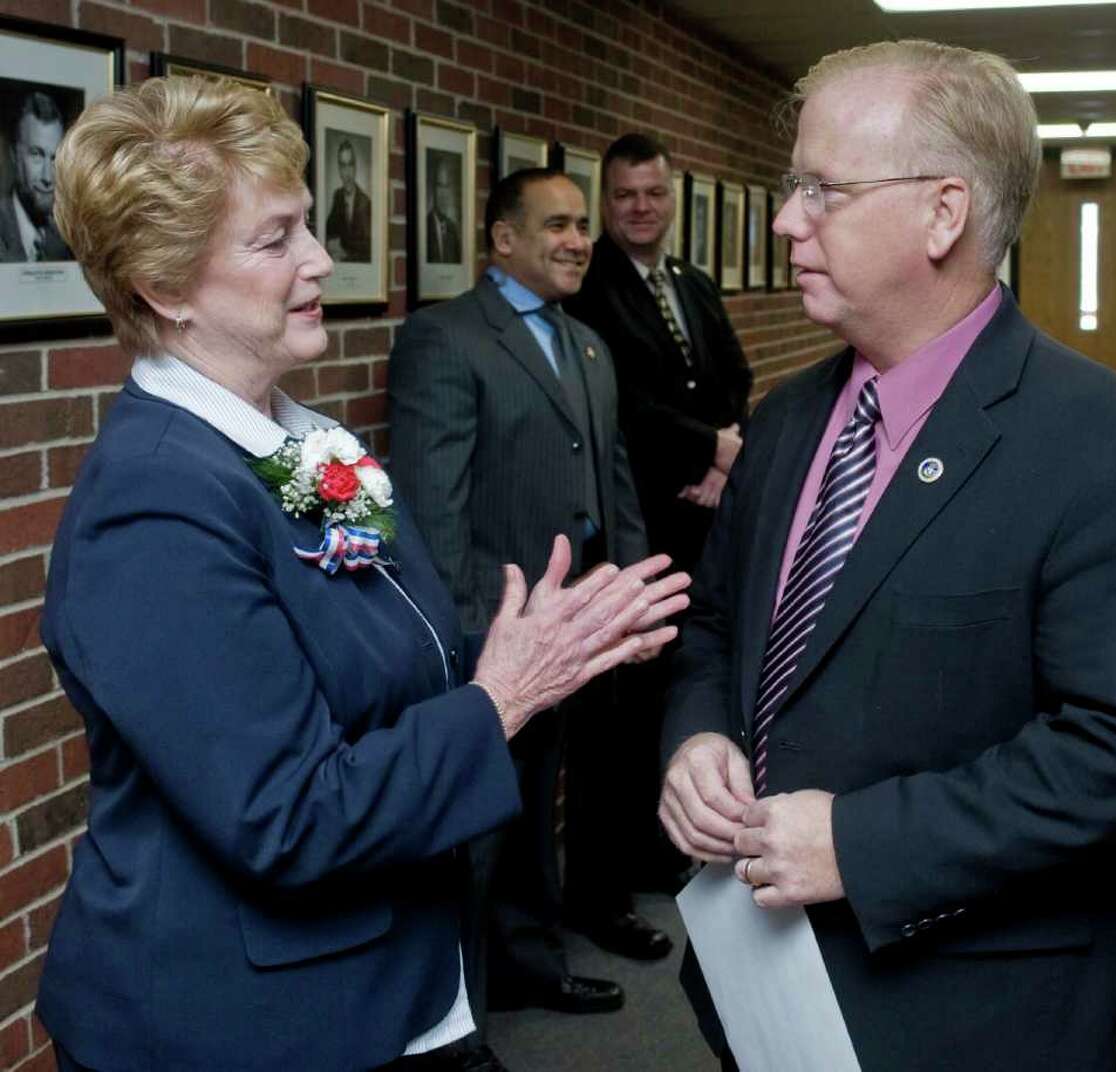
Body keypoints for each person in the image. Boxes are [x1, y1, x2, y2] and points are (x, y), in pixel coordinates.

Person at [37, 77, 688, 1072]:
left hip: (402, 971)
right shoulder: (155, 506)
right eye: (276, 239)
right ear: (166, 289)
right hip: (244, 1027)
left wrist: (543, 648)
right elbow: (287, 815)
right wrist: (504, 694)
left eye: (306, 226)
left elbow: (407, 658)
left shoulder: (304, 444)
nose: (320, 260)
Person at [659, 39, 1116, 1072]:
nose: (785, 222)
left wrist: (862, 846)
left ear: (944, 213)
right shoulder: (783, 423)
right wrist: (694, 743)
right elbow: (717, 632)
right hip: (761, 985)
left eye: (823, 191)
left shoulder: (1106, 448)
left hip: (963, 1009)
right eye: (791, 188)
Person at [389, 167, 676, 1071]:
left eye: (582, 224)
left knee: (542, 797)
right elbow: (435, 510)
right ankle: (456, 1027)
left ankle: (529, 962)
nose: (578, 239)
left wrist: (625, 595)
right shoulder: (446, 339)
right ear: (501, 239)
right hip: (495, 638)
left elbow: (612, 480)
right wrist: (478, 645)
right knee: (477, 833)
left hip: (577, 627)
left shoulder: (587, 343)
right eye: (556, 224)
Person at [566, 133, 751, 897]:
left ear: (672, 200)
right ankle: (628, 861)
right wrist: (710, 446)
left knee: (688, 677)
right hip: (636, 520)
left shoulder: (689, 280)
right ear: (606, 202)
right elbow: (624, 408)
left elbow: (732, 371)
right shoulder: (590, 286)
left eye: (654, 194)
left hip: (700, 513)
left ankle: (667, 838)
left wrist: (720, 460)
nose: (641, 208)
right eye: (624, 196)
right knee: (628, 703)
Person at [0, 89, 72, 262]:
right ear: (14, 155)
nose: (48, 178)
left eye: (54, 158)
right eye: (36, 155)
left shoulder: (64, 241)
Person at [324, 137, 371, 262]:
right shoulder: (338, 196)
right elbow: (327, 231)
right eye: (343, 166)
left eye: (350, 165)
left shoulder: (366, 202)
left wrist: (345, 253)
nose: (347, 173)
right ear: (339, 169)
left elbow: (369, 250)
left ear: (355, 167)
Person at [426, 156, 462, 264]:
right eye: (439, 185)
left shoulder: (452, 229)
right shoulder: (425, 227)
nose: (443, 193)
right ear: (433, 188)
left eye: (447, 186)